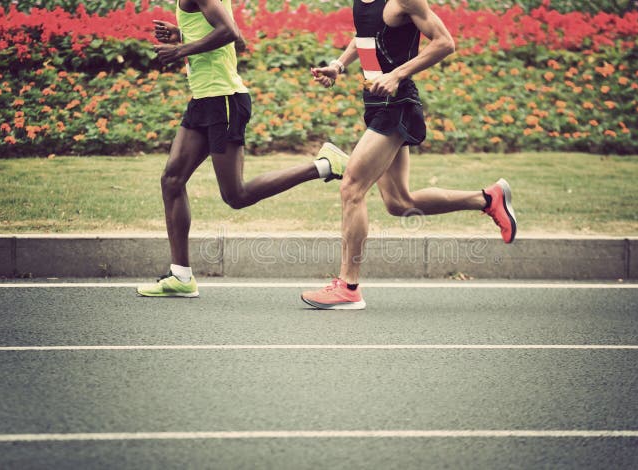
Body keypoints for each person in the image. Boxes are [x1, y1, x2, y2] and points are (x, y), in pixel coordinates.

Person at [301, 0, 516, 310]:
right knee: (400, 203)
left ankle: (348, 288)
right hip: (377, 102)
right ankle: (489, 199)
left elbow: (445, 43)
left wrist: (396, 75)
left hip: (396, 104)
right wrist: (339, 64)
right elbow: (367, 34)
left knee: (352, 186)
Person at [137, 0, 348, 297]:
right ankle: (181, 277)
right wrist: (182, 35)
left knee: (236, 195)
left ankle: (324, 165)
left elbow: (231, 33)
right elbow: (240, 41)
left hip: (222, 100)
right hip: (205, 98)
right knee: (172, 180)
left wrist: (180, 50)